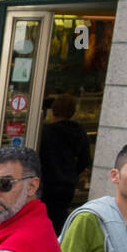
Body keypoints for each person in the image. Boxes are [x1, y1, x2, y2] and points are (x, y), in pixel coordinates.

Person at [39, 95, 92, 233]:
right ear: (73, 111)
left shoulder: (46, 132)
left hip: (46, 183)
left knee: (42, 220)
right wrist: (73, 173)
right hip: (67, 185)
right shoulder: (79, 131)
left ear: (53, 110)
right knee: (59, 222)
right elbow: (85, 160)